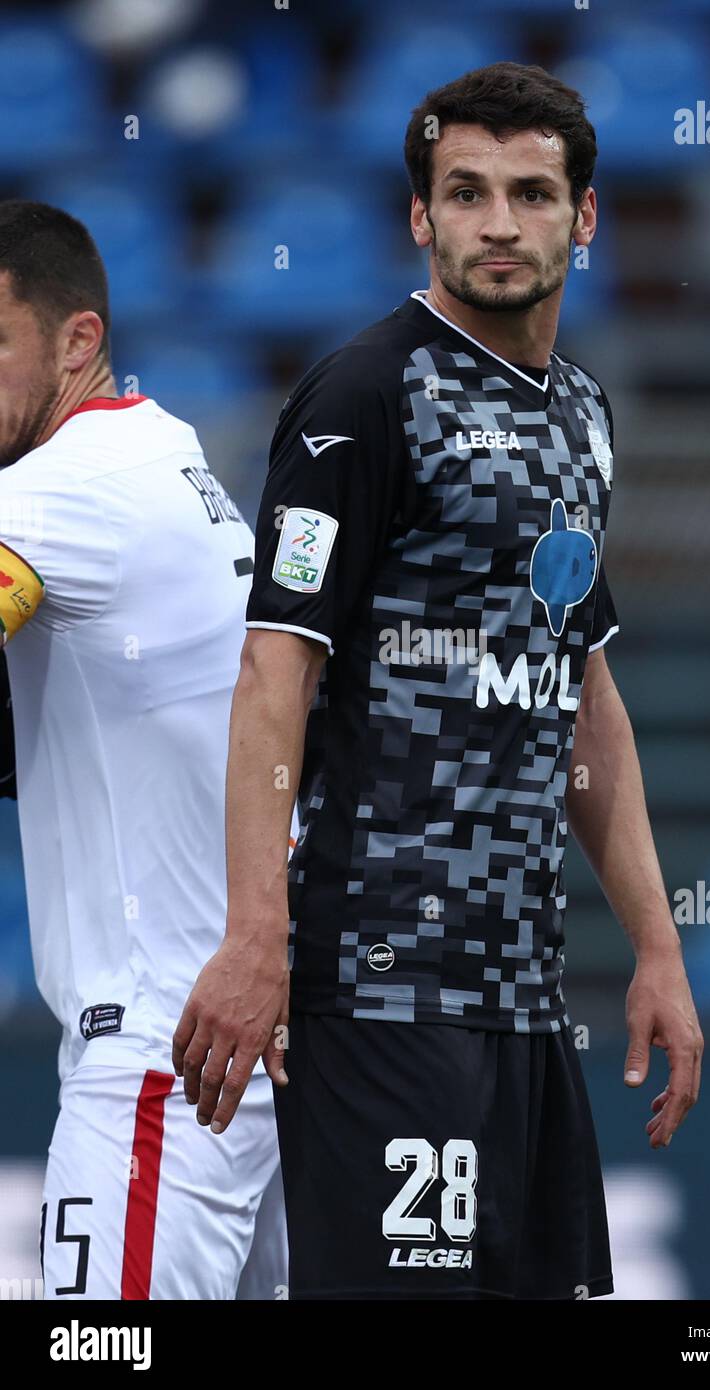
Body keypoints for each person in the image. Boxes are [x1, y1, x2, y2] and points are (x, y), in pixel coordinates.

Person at [176, 62, 704, 1300]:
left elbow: (582, 686)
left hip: (524, 998)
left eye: (530, 193)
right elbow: (273, 669)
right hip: (377, 986)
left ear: (585, 217)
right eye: (464, 193)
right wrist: (259, 936)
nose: (498, 224)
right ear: (421, 217)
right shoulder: (364, 395)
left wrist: (657, 948)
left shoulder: (582, 414)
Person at [0, 200, 289, 1299]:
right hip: (238, 1047)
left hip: (161, 1065)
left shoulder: (61, 490)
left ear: (77, 341)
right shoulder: (162, 454)